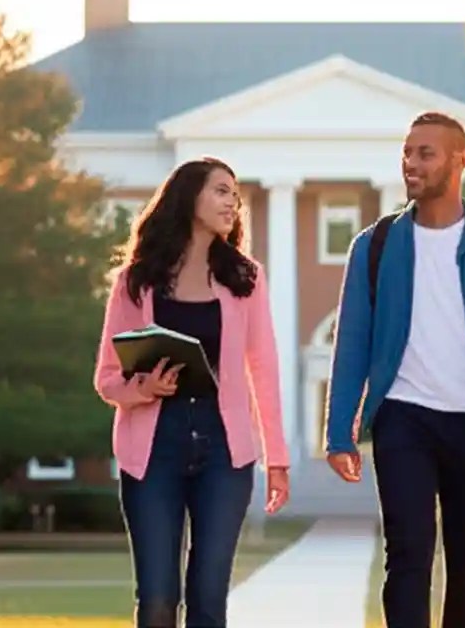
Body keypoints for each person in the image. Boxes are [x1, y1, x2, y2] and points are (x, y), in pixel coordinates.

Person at [324, 112, 465, 628]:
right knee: (407, 559)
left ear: (458, 159)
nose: (411, 163)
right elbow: (352, 343)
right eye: (407, 152)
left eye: (425, 153)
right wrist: (339, 432)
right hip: (404, 419)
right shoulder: (373, 247)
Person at [93, 157, 290, 628]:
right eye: (221, 191)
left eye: (235, 194)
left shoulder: (245, 279)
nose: (232, 202)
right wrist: (144, 387)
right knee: (159, 600)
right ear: (189, 197)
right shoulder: (135, 283)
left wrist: (276, 457)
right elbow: (106, 379)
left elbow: (263, 368)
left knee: (207, 602)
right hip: (152, 452)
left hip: (225, 452)